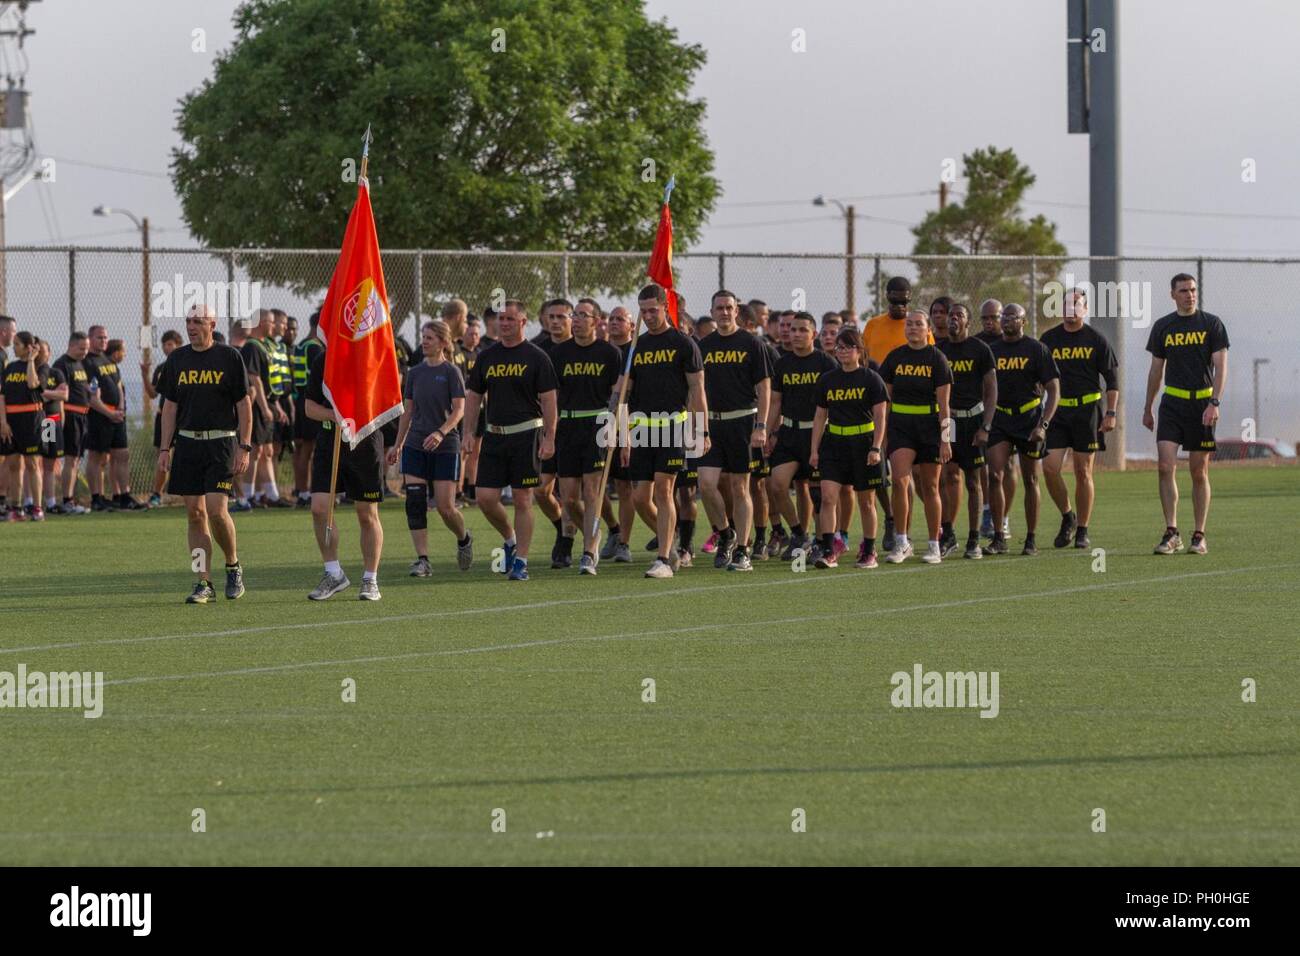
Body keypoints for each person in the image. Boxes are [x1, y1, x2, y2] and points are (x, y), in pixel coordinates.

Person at [156, 305, 252, 603]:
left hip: (221, 443)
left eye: (198, 321)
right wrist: (164, 448)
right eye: (188, 321)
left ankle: (233, 564)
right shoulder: (177, 359)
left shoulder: (229, 357)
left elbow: (244, 405)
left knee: (215, 511)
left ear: (212, 323)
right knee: (195, 515)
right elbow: (169, 407)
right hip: (187, 444)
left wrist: (244, 446)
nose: (191, 327)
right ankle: (203, 582)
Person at [463, 301, 558, 581]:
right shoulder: (487, 356)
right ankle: (510, 538)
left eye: (510, 319)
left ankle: (521, 562)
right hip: (494, 435)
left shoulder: (537, 356)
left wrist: (550, 437)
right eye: (500, 318)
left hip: (527, 434)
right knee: (485, 498)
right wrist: (468, 432)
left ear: (523, 322)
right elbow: (474, 396)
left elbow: (550, 399)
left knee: (522, 498)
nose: (503, 323)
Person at [620, 283, 708, 579]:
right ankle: (669, 543)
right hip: (641, 430)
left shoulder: (684, 344)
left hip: (673, 426)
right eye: (643, 311)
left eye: (653, 310)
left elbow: (697, 389)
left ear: (665, 308)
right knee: (639, 498)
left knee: (663, 489)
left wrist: (702, 430)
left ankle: (662, 560)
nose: (648, 316)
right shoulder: (636, 347)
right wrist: (621, 433)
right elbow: (625, 393)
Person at [1143, 273, 1229, 556]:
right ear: (1173, 294)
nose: (1190, 295)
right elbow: (1156, 370)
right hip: (1172, 404)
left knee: (1198, 470)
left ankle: (1199, 535)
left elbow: (1221, 366)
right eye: (1183, 291)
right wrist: (1148, 407)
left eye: (1193, 290)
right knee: (1165, 466)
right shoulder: (1163, 326)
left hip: (1202, 405)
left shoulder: (1211, 324)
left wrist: (1214, 403)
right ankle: (1172, 532)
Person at [302, 347, 388, 601]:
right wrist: (334, 415)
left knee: (366, 512)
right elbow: (309, 407)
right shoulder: (323, 359)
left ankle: (370, 579)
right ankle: (333, 573)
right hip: (330, 438)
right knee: (319, 508)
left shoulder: (373, 353)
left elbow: (388, 399)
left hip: (365, 438)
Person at [391, 320, 472, 577]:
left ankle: (463, 538)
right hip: (416, 443)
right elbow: (408, 412)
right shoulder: (414, 373)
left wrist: (440, 432)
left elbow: (459, 410)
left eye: (430, 338)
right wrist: (398, 444)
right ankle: (423, 560)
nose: (424, 341)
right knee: (415, 501)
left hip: (445, 445)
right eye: (423, 337)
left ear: (444, 342)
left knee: (445, 507)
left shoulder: (451, 372)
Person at [697, 290, 770, 572]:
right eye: (719, 308)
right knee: (706, 484)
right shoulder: (704, 345)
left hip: (743, 422)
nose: (725, 312)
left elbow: (764, 389)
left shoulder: (752, 343)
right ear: (713, 311)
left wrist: (761, 426)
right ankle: (725, 533)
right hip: (712, 424)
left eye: (729, 307)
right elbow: (696, 389)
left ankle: (743, 549)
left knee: (741, 487)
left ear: (736, 310)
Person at [1041, 288, 1119, 549]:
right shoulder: (1049, 339)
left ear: (1085, 309)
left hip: (1087, 411)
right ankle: (1068, 516)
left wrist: (1110, 412)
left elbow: (1112, 380)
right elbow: (1038, 377)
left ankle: (1083, 529)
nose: (1070, 308)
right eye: (1066, 303)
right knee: (1049, 468)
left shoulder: (1096, 339)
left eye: (1076, 304)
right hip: (1058, 412)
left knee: (1082, 472)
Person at [547, 303, 622, 574]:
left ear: (596, 321)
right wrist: (550, 431)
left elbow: (618, 393)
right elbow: (551, 395)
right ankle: (591, 532)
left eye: (582, 316)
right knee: (568, 498)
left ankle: (589, 551)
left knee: (591, 492)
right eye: (573, 315)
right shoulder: (559, 354)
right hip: (567, 425)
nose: (575, 320)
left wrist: (614, 427)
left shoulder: (609, 353)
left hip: (597, 423)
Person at [808, 327, 888, 569]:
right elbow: (820, 416)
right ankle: (829, 550)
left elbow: (881, 416)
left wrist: (876, 448)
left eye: (847, 347)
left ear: (859, 350)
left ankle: (869, 550)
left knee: (866, 501)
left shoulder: (871, 378)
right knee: (828, 497)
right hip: (834, 444)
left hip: (863, 444)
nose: (842, 352)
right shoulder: (827, 380)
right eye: (839, 347)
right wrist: (814, 450)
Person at [985, 303, 1060, 556]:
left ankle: (1030, 538)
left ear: (1023, 321)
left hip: (1029, 419)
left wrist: (1043, 425)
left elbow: (1054, 389)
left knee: (1030, 478)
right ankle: (998, 536)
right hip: (1001, 418)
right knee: (994, 475)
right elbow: (982, 387)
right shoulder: (991, 351)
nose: (1007, 320)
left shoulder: (1036, 349)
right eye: (1003, 316)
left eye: (1012, 317)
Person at [879, 310, 954, 564]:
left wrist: (946, 440)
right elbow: (884, 402)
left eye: (918, 324)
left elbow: (945, 405)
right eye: (909, 324)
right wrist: (881, 436)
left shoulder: (938, 358)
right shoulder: (895, 357)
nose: (912, 328)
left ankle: (934, 545)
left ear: (928, 329)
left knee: (931, 486)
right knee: (900, 481)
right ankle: (902, 541)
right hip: (901, 425)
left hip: (930, 426)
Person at [765, 310, 837, 558]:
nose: (796, 334)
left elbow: (834, 403)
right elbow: (775, 402)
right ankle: (799, 534)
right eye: (793, 330)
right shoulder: (782, 363)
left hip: (819, 435)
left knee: (817, 494)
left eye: (803, 330)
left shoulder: (826, 363)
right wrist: (767, 431)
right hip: (789, 433)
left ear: (813, 334)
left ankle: (820, 542)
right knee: (777, 485)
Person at [937, 303, 997, 559]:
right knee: (948, 476)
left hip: (973, 419)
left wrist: (986, 425)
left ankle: (974, 538)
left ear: (967, 322)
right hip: (948, 422)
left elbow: (992, 389)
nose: (953, 320)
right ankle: (948, 533)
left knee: (973, 480)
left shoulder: (980, 350)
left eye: (959, 316)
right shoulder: (938, 351)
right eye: (951, 315)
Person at [532, 298, 580, 567]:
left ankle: (568, 544)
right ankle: (563, 528)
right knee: (541, 490)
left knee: (573, 495)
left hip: (578, 428)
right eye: (551, 316)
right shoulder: (538, 351)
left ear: (572, 319)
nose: (556, 321)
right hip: (547, 429)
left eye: (562, 317)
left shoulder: (583, 347)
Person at [85, 326, 138, 511]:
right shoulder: (88, 362)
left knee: (122, 455)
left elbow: (118, 384)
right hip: (100, 417)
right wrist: (109, 413)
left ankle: (124, 496)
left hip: (117, 416)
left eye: (105, 338)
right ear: (90, 339)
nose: (103, 341)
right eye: (99, 337)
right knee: (97, 457)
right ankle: (97, 498)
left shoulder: (108, 360)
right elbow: (91, 397)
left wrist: (121, 408)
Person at [0, 331, 45, 521]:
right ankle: (16, 507)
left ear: (28, 347)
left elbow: (32, 383)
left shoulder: (39, 367)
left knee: (32, 464)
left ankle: (37, 508)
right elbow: (2, 396)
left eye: (17, 344)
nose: (13, 347)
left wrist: (31, 361)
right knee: (13, 464)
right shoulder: (9, 368)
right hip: (12, 421)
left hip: (32, 421)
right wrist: (3, 422)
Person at [975, 298, 1008, 538]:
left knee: (1011, 468)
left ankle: (1003, 517)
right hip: (984, 411)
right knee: (986, 467)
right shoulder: (976, 343)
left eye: (993, 317)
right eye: (984, 318)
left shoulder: (1011, 340)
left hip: (1011, 413)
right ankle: (989, 511)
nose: (989, 322)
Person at [143, 329, 184, 506]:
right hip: (164, 418)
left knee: (189, 456)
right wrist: (144, 374)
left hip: (185, 418)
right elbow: (153, 394)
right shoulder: (161, 368)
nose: (167, 348)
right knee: (164, 455)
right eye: (164, 344)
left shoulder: (187, 364)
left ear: (178, 345)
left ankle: (193, 493)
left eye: (170, 344)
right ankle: (156, 494)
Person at [52, 332, 91, 515]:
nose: (85, 352)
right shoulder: (62, 365)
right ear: (72, 345)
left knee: (75, 459)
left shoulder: (79, 364)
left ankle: (70, 500)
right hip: (70, 416)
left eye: (86, 348)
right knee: (70, 459)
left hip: (83, 416)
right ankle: (66, 500)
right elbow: (61, 396)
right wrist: (63, 420)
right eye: (82, 348)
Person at [291, 311, 325, 507]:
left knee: (304, 448)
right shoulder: (314, 348)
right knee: (309, 449)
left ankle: (302, 490)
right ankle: (305, 492)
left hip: (301, 400)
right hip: (310, 400)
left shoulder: (301, 345)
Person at [36, 338, 68, 516]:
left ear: (49, 353)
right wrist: (49, 395)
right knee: (33, 463)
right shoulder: (31, 371)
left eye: (44, 350)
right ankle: (30, 502)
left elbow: (64, 394)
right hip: (34, 420)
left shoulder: (56, 373)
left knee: (49, 463)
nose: (41, 353)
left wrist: (43, 394)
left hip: (50, 421)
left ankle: (51, 502)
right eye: (38, 350)